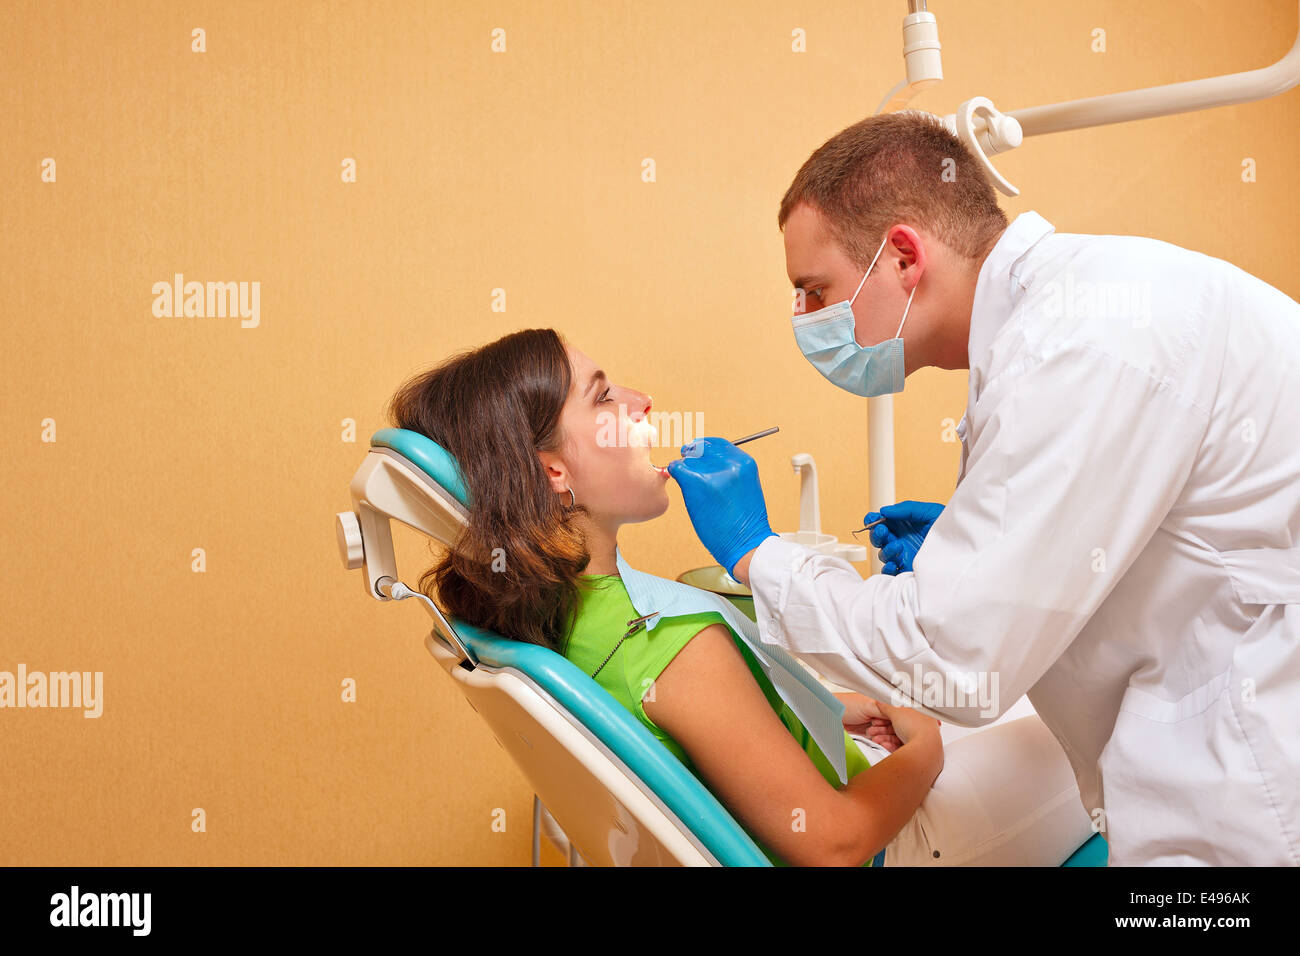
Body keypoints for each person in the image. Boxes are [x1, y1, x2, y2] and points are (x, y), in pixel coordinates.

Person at [666, 111, 1300, 866]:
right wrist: (974, 553)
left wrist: (756, 553)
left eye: (814, 291)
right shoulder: (1060, 323)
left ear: (903, 256)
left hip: (1253, 788)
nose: (804, 320)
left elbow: (955, 661)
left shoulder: (1080, 347)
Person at [386, 328, 1094, 866]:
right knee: (1099, 717)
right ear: (552, 472)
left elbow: (687, 724)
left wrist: (841, 707)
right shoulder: (670, 643)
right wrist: (927, 749)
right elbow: (834, 844)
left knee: (1028, 694)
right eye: (604, 397)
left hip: (866, 781)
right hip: (902, 844)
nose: (642, 404)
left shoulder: (571, 619)